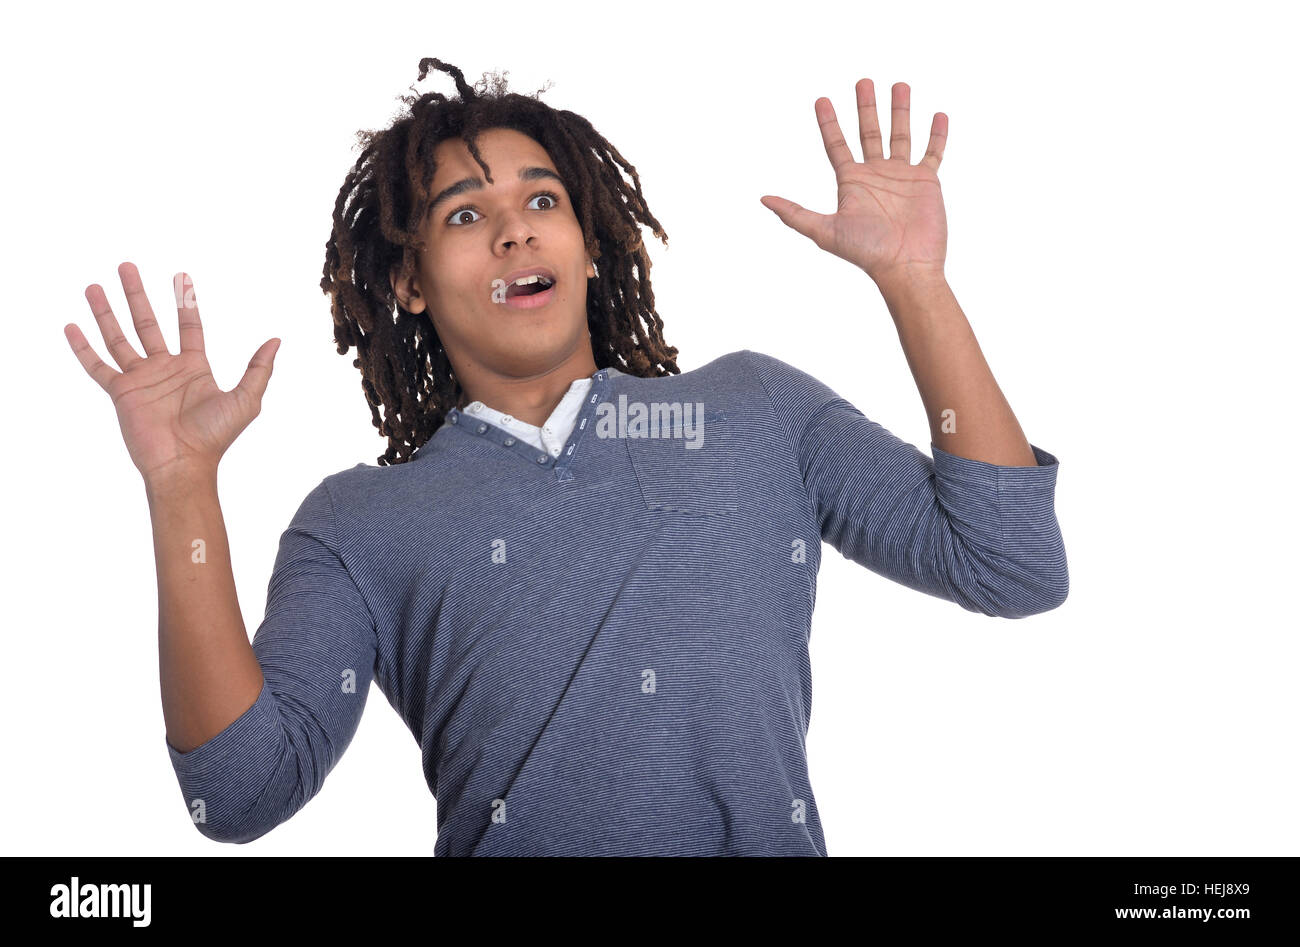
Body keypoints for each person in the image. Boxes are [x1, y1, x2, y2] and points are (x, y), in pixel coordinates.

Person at [64, 58, 1067, 856]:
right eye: (463, 215)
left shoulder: (754, 408)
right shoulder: (354, 525)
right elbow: (237, 794)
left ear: (590, 245)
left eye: (541, 202)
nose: (510, 229)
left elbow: (1010, 563)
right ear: (409, 283)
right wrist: (181, 488)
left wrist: (914, 283)